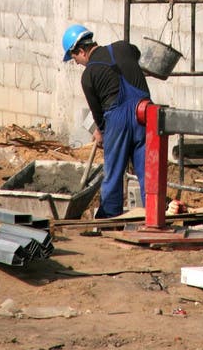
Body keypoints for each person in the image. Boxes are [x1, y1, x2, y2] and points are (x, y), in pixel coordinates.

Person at [62, 24, 151, 219]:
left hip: (118, 119)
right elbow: (135, 54)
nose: (76, 63)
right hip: (145, 113)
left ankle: (109, 216)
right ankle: (154, 215)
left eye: (74, 58)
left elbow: (98, 114)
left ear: (81, 51)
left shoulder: (88, 77)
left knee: (113, 170)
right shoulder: (123, 47)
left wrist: (101, 132)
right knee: (148, 169)